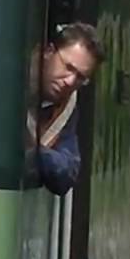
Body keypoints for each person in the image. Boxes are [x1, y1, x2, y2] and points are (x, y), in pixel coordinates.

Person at [28, 23, 104, 196]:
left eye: (80, 77)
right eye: (68, 67)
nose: (70, 81)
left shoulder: (66, 106)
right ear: (48, 52)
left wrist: (35, 153)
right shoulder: (8, 77)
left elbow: (67, 173)